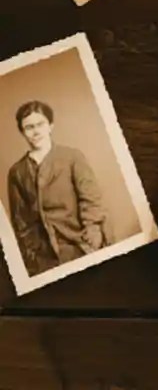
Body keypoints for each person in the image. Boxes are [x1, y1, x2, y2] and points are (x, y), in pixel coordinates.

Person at [6, 101, 110, 277]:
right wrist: (30, 254)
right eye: (29, 127)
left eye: (40, 124)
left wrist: (93, 234)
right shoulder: (17, 172)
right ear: (22, 132)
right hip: (43, 257)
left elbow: (91, 199)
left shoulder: (72, 157)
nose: (36, 131)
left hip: (79, 244)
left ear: (50, 126)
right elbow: (20, 220)